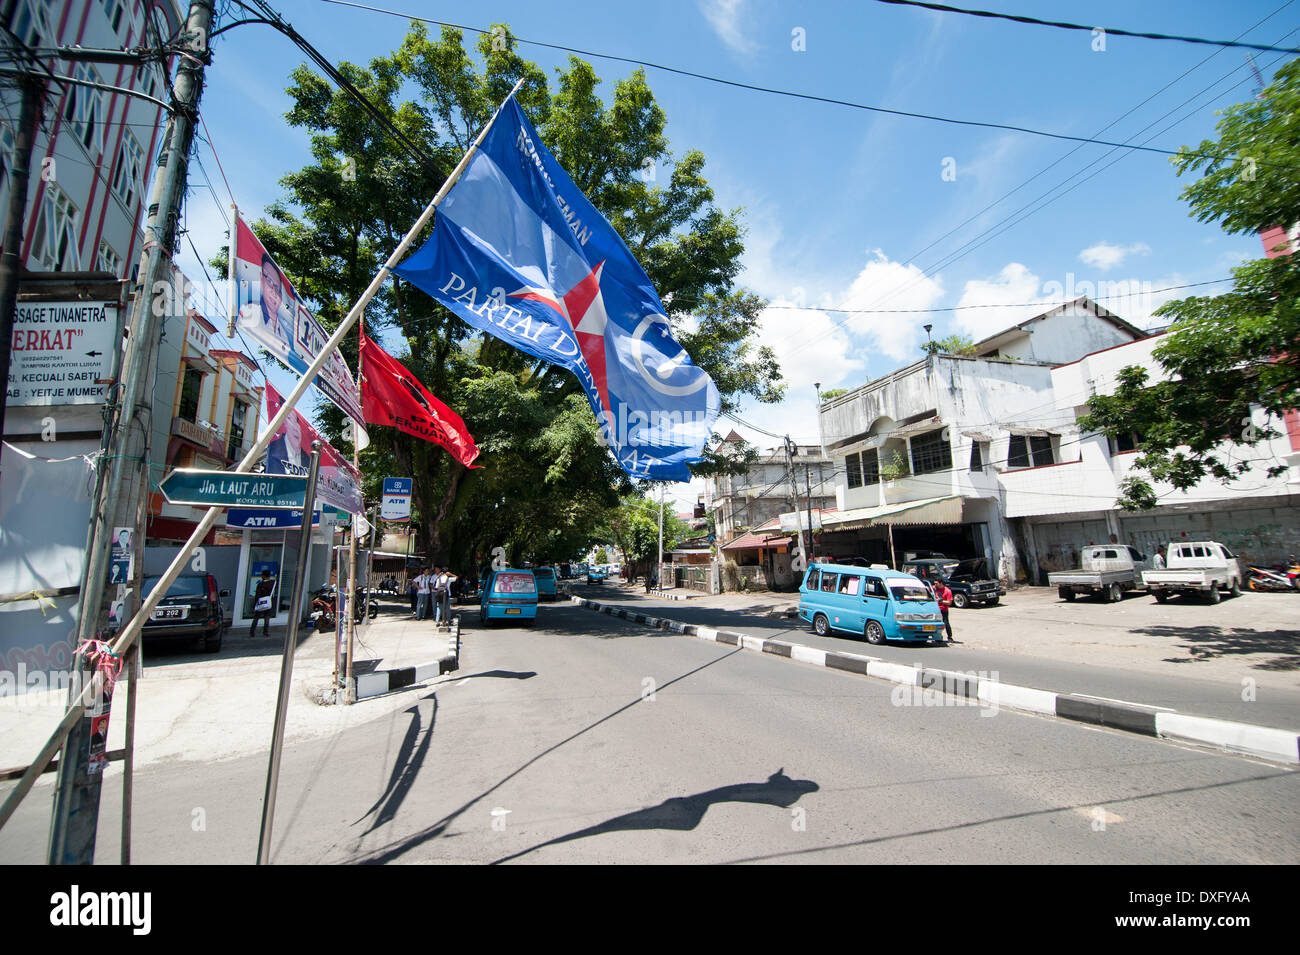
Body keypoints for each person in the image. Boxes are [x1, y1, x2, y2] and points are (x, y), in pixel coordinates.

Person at [250, 570, 276, 638]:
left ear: (264, 576)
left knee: (256, 618)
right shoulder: (272, 583)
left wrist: (254, 605)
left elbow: (257, 595)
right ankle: (265, 633)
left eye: (262, 575)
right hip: (268, 602)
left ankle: (252, 633)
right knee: (267, 618)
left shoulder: (260, 584)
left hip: (260, 603)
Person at [933, 578, 956, 643]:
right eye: (934, 583)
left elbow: (949, 602)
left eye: (936, 583)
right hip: (935, 610)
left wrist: (941, 601)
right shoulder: (933, 589)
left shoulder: (947, 591)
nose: (935, 585)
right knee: (935, 624)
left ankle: (950, 637)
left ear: (941, 583)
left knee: (946, 623)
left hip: (943, 610)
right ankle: (937, 637)